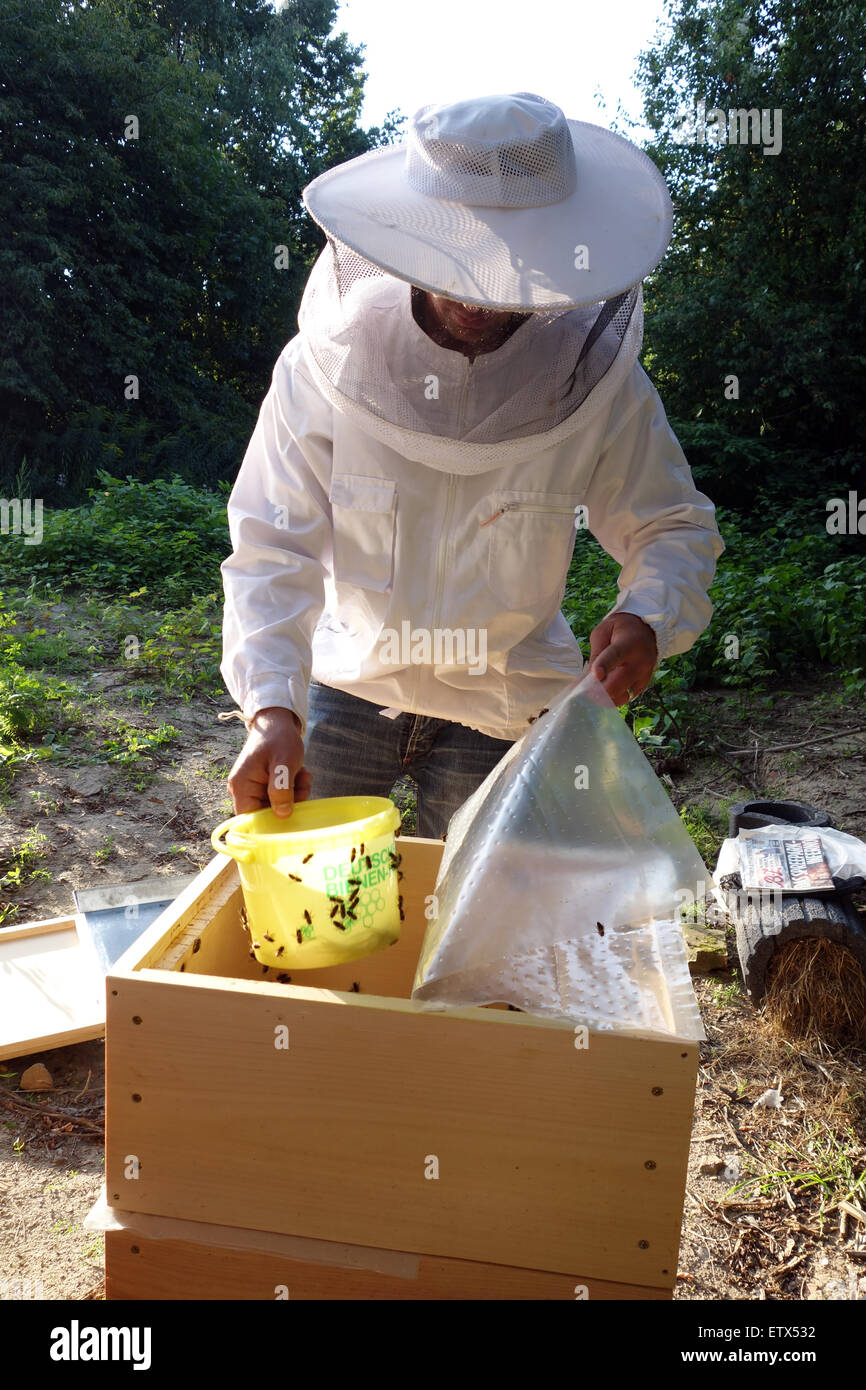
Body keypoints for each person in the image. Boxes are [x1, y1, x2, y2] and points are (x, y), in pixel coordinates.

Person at [220, 92, 724, 838]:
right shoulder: (327, 362)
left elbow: (673, 527)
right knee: (311, 916)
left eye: (509, 262)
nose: (479, 294)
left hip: (506, 699)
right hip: (345, 685)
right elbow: (273, 542)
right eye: (459, 254)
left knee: (468, 935)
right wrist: (269, 707)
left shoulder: (595, 380)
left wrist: (648, 615)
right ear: (413, 233)